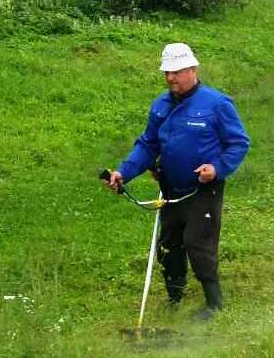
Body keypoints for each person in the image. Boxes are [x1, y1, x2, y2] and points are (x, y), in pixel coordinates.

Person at [105, 43, 250, 317]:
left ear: (192, 69)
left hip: (203, 189)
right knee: (169, 245)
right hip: (170, 189)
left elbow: (238, 143)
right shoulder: (160, 105)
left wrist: (216, 169)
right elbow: (148, 145)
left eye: (176, 72)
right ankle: (175, 296)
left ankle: (214, 303)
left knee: (198, 242)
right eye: (167, 73)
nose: (171, 78)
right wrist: (123, 172)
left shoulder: (217, 104)